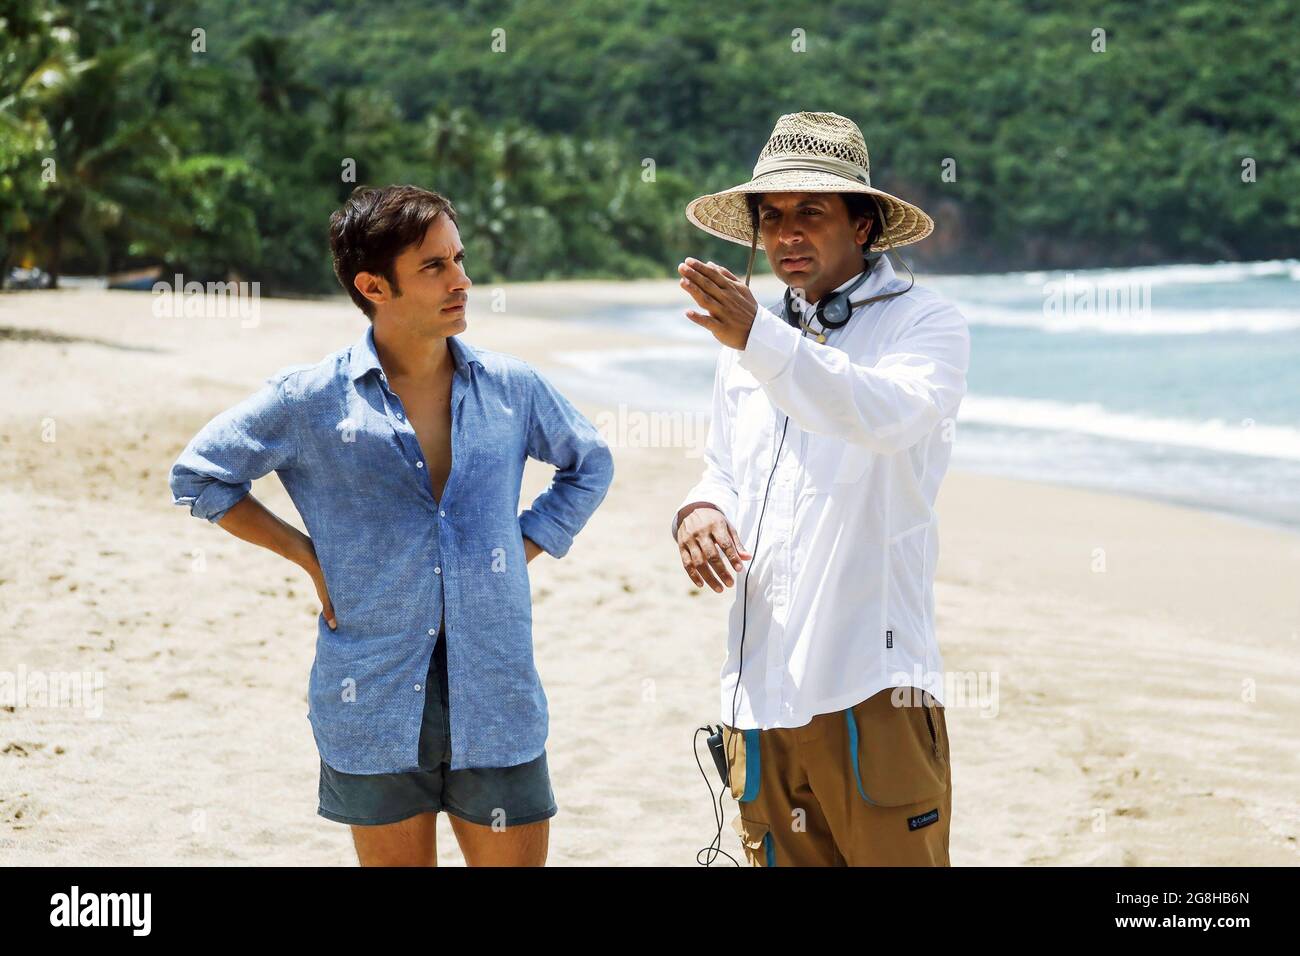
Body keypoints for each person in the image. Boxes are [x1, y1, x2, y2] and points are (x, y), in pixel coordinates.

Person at [169, 184, 613, 866]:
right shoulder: (309, 399)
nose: (461, 281)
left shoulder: (512, 388)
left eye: (459, 259)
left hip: (497, 690)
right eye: (435, 266)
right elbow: (199, 475)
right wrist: (310, 558)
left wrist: (522, 543)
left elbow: (590, 463)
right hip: (371, 692)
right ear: (373, 286)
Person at [673, 112, 969, 866]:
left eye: (811, 211)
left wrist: (760, 339)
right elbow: (725, 467)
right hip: (759, 688)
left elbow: (883, 413)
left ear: (864, 225)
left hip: (871, 680)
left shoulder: (926, 325)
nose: (787, 234)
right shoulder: (748, 337)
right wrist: (700, 510)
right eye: (771, 217)